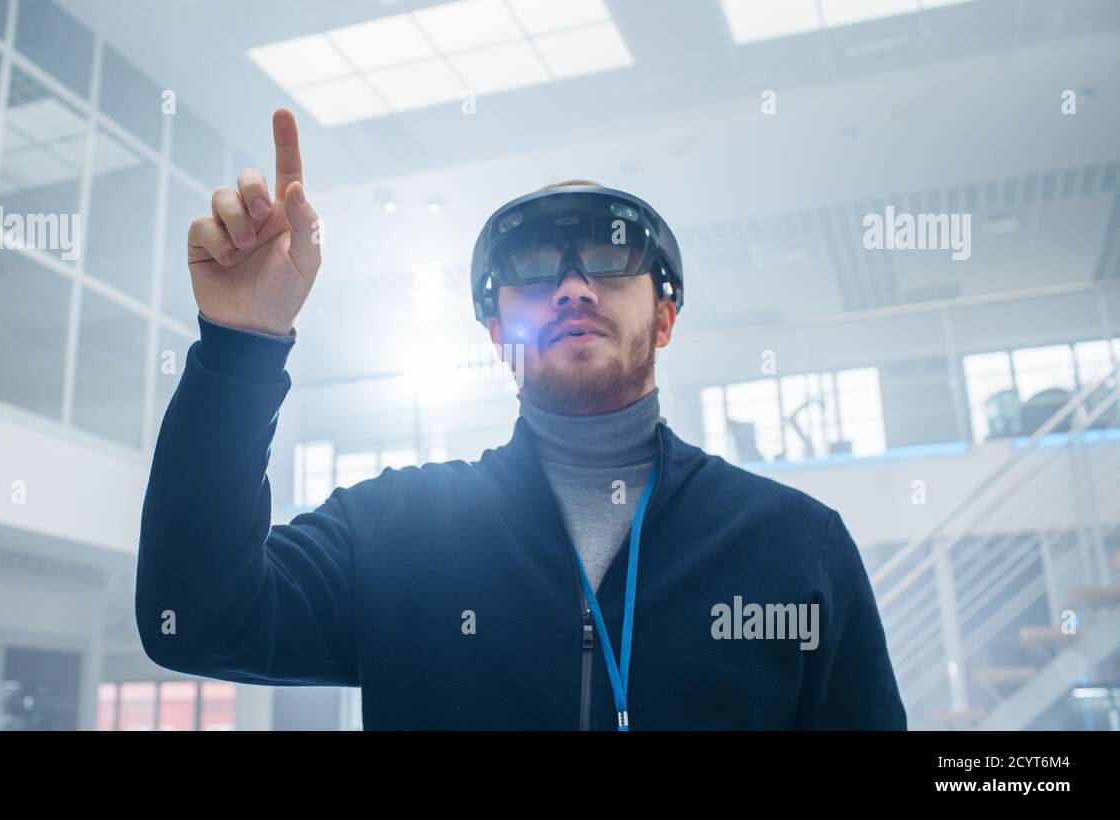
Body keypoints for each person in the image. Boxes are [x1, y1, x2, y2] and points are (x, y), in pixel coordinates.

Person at [135, 108, 907, 730]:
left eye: (607, 259)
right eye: (537, 269)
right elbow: (193, 619)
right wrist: (241, 348)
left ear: (665, 317)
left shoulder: (796, 548)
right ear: (497, 332)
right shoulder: (398, 531)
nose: (572, 289)